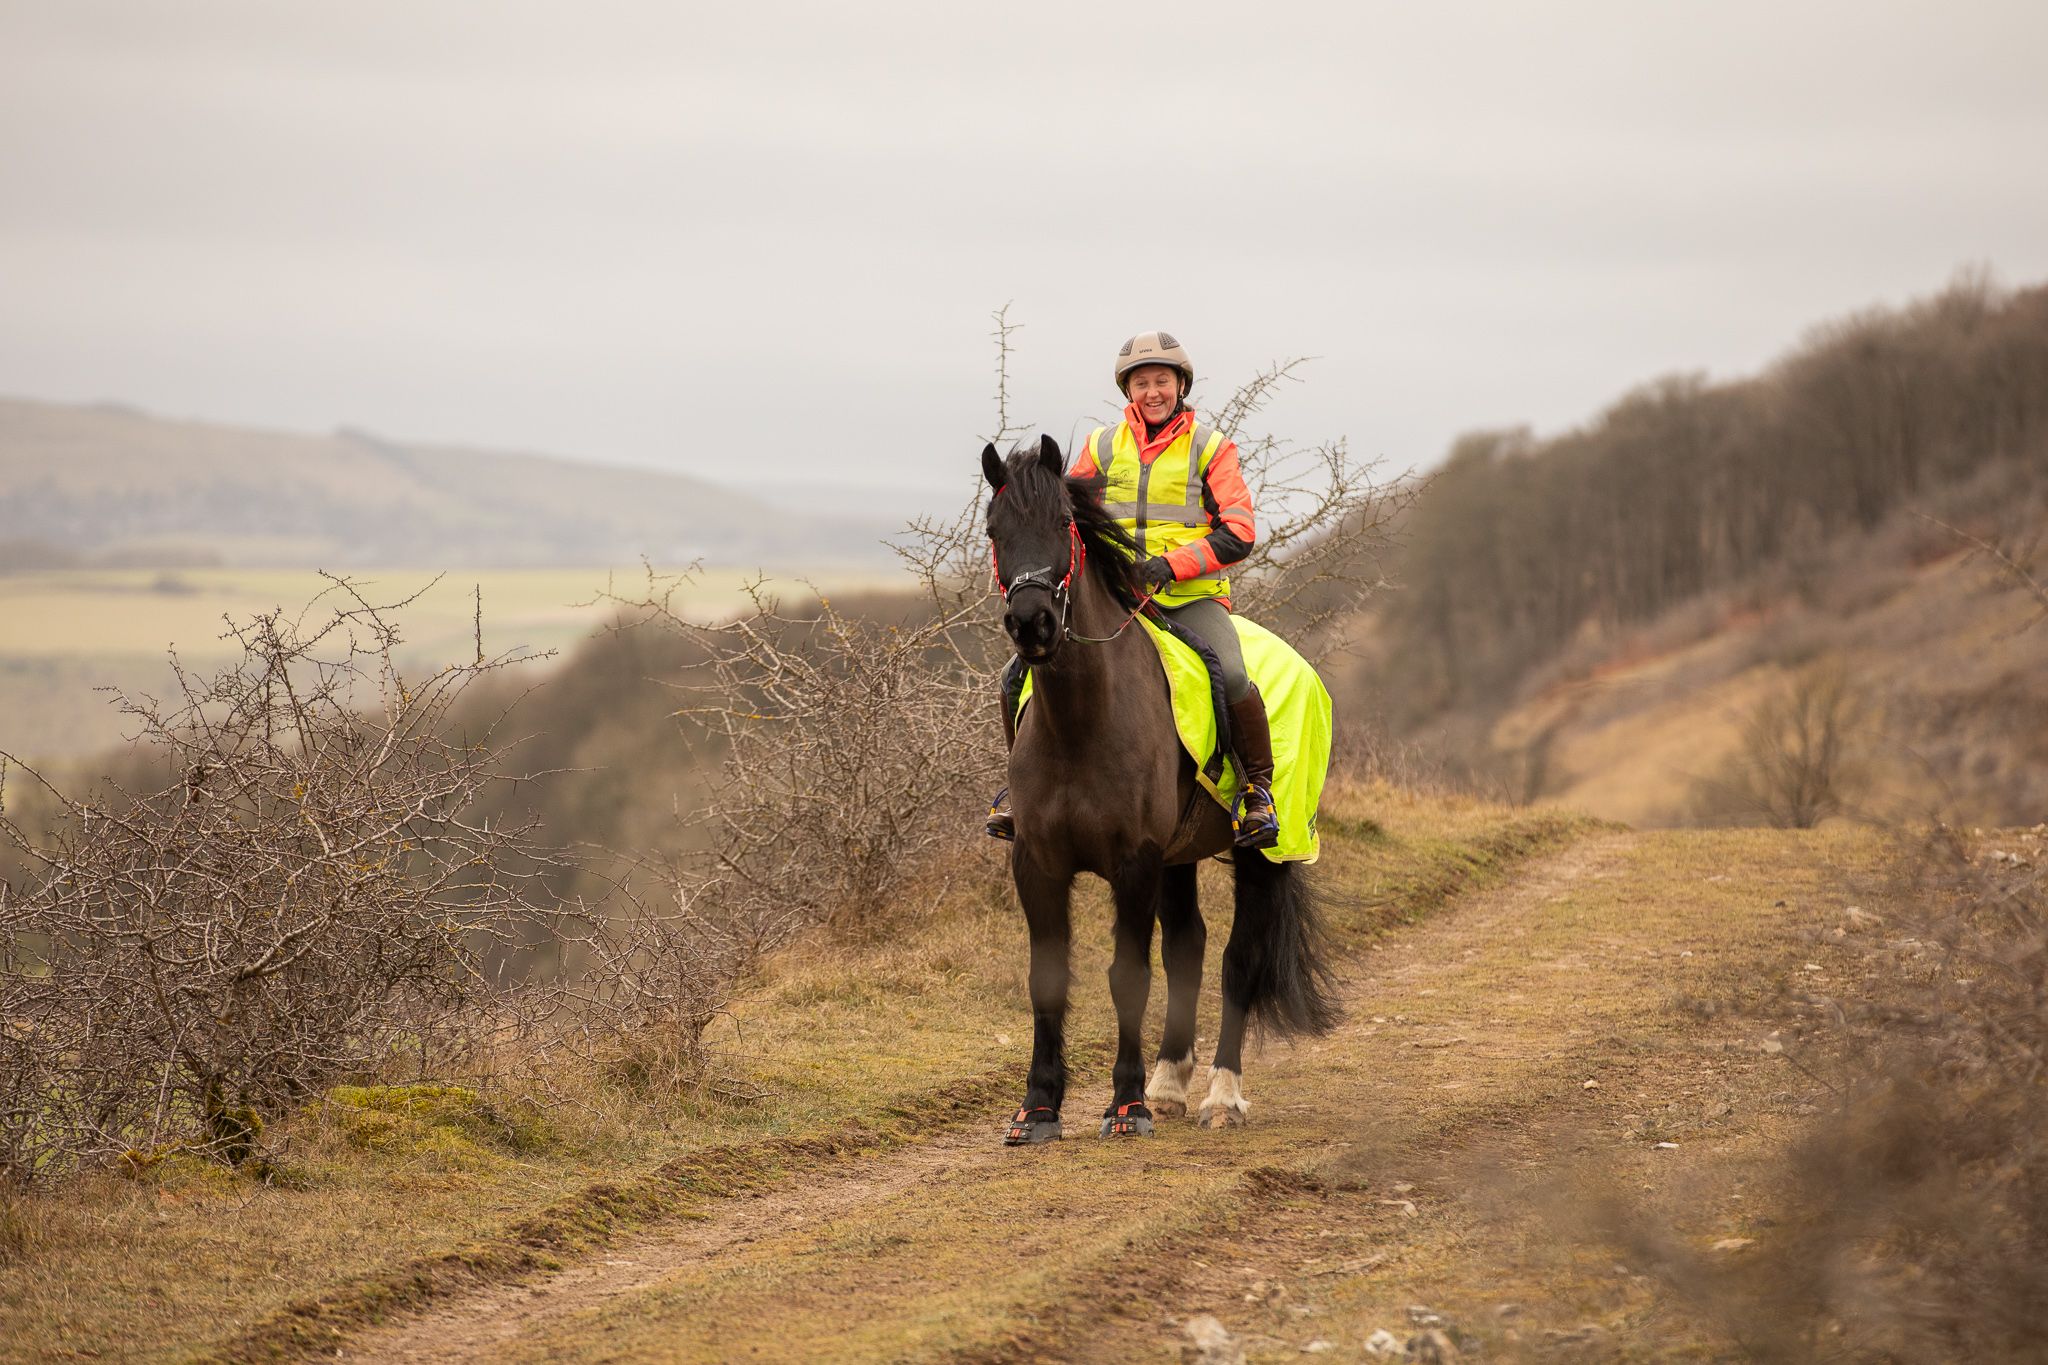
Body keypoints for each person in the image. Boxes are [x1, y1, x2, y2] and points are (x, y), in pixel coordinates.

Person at [987, 330, 1280, 849]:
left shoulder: (1212, 449)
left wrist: (1172, 565)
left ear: (1181, 384)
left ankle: (1257, 791)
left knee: (1230, 672)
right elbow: (1064, 515)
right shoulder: (1101, 447)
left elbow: (1240, 531)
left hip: (1190, 596)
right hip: (1116, 598)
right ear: (1128, 390)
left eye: (1161, 381)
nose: (1152, 392)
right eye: (1141, 382)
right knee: (1016, 675)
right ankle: (1018, 793)